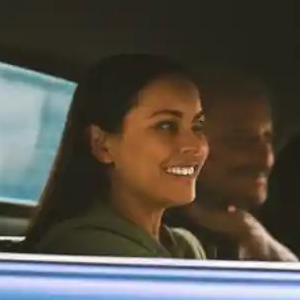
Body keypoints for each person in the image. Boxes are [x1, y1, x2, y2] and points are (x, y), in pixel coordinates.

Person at [26, 54, 209, 260]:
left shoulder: (183, 245)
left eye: (197, 126)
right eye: (165, 126)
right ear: (102, 145)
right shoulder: (90, 247)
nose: (196, 146)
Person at [171, 69, 297, 262]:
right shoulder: (164, 241)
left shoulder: (266, 228)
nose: (266, 158)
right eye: (239, 140)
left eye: (267, 138)